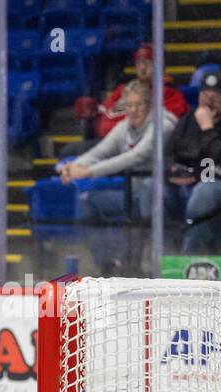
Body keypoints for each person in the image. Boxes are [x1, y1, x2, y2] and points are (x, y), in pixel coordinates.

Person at [60, 80, 176, 272]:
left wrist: (89, 172)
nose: (133, 110)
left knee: (148, 190)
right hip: (135, 194)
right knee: (87, 200)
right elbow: (100, 151)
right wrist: (73, 166)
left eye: (138, 105)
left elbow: (136, 156)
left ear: (149, 105)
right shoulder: (124, 127)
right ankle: (108, 265)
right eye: (129, 105)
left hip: (164, 194)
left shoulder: (163, 125)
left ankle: (156, 264)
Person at [164, 69, 221, 252]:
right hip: (191, 188)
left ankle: (184, 262)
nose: (209, 100)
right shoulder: (188, 121)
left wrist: (207, 128)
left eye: (216, 95)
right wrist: (172, 172)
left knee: (204, 192)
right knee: (153, 191)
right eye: (205, 95)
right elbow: (167, 155)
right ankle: (162, 256)